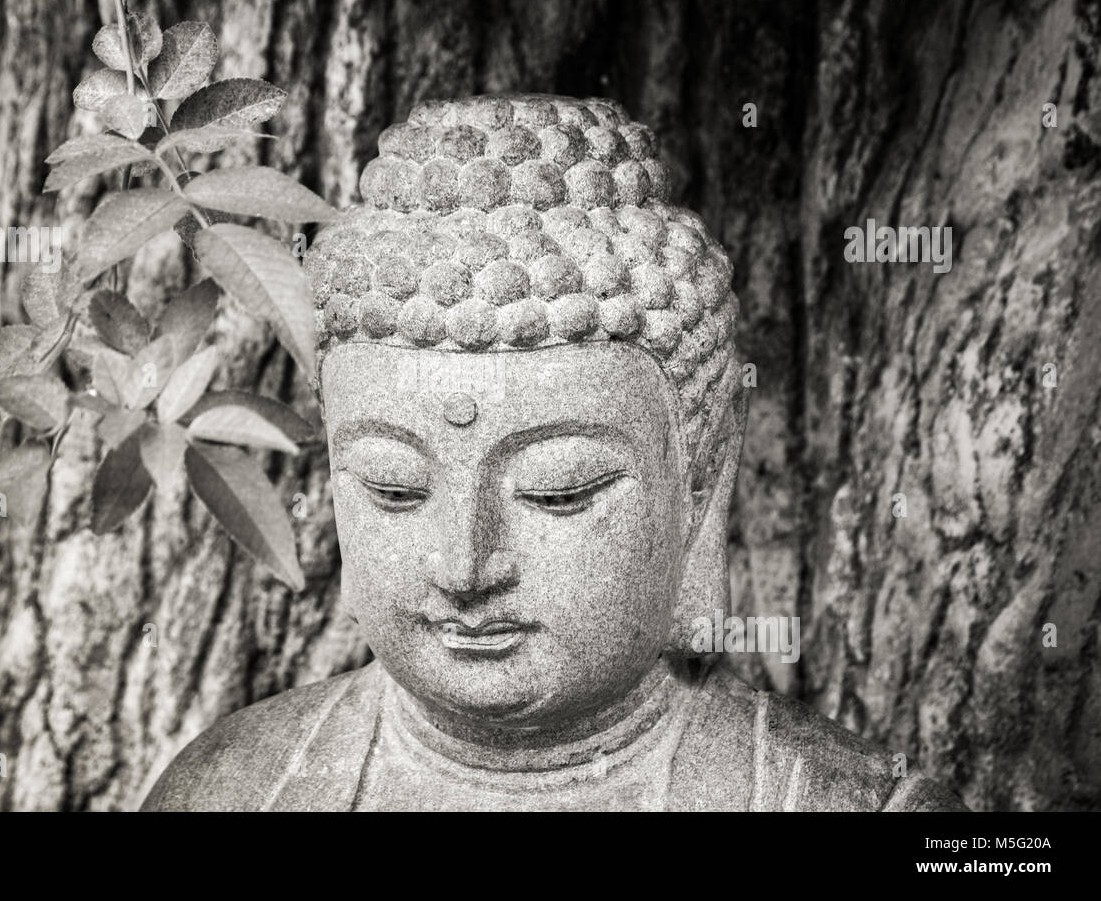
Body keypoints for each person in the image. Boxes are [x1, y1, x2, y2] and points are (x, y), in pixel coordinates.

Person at [142, 93, 966, 811]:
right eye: (394, 489)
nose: (465, 567)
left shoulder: (855, 804)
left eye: (558, 492)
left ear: (703, 482)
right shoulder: (229, 789)